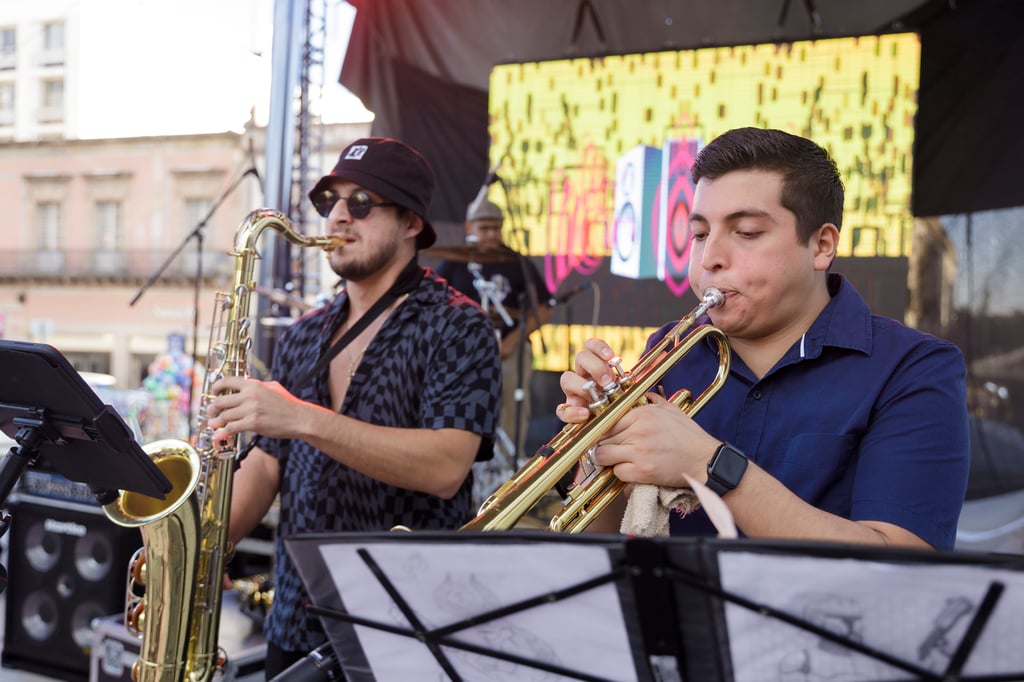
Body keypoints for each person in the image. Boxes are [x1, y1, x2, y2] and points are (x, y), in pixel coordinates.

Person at [558, 127, 969, 549]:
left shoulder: (913, 368)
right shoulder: (670, 351)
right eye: (700, 234)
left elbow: (904, 566)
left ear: (821, 245)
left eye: (747, 232)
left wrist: (709, 463)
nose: (710, 259)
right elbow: (596, 541)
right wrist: (601, 446)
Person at [207, 136, 502, 676]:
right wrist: (201, 545)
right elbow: (270, 463)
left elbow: (444, 467)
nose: (339, 216)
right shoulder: (301, 336)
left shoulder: (459, 326)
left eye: (361, 202)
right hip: (297, 620)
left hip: (408, 629)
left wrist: (302, 417)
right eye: (331, 201)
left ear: (411, 221)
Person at [436, 196, 553, 459]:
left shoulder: (515, 262)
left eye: (496, 228)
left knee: (511, 414)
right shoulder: (454, 262)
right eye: (484, 228)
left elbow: (543, 309)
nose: (491, 234)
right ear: (469, 227)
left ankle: (506, 476)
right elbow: (436, 307)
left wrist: (512, 342)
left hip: (509, 351)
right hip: (465, 353)